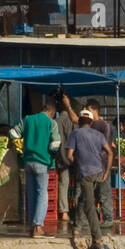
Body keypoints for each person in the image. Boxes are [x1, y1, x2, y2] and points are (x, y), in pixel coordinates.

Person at [65, 113, 112, 249]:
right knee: (83, 199)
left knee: (89, 206)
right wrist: (107, 172)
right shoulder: (98, 135)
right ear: (91, 122)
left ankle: (97, 239)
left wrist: (77, 164)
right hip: (99, 172)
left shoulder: (75, 134)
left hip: (85, 174)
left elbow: (69, 155)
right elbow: (110, 152)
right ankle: (77, 228)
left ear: (79, 121)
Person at [13, 95, 56, 236]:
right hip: (42, 162)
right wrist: (51, 154)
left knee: (31, 194)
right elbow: (55, 144)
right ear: (52, 112)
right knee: (42, 194)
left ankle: (32, 226)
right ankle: (38, 226)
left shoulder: (28, 119)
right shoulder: (51, 123)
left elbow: (13, 133)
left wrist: (19, 147)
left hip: (28, 162)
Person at [84, 100, 114, 229]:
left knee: (104, 193)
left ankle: (108, 218)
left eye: (87, 110)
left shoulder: (103, 125)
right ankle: (94, 218)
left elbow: (105, 148)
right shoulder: (89, 125)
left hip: (101, 165)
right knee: (92, 194)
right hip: (90, 167)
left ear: (93, 109)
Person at [54, 93, 79, 222]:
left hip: (62, 158)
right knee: (78, 184)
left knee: (64, 184)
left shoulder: (56, 122)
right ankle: (78, 209)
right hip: (76, 157)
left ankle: (64, 212)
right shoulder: (75, 121)